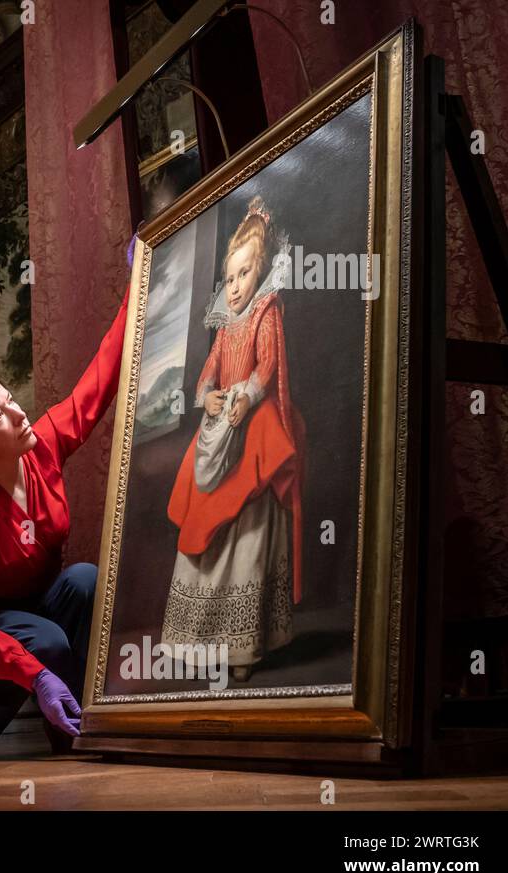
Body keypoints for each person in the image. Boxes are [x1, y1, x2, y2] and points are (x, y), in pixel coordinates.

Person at [0, 282, 129, 758]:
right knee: (47, 641)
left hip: (42, 602)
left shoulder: (44, 446)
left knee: (84, 580)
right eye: (0, 415)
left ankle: (78, 723)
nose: (20, 413)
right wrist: (35, 675)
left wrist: (137, 289)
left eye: (12, 399)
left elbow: (99, 382)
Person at [162, 196, 304, 682]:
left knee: (246, 523)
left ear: (259, 271)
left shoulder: (266, 309)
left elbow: (268, 364)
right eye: (231, 276)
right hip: (220, 425)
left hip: (254, 424)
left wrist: (248, 396)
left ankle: (242, 646)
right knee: (201, 506)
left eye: (245, 273)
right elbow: (208, 372)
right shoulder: (225, 323)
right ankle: (196, 638)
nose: (237, 285)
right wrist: (207, 397)